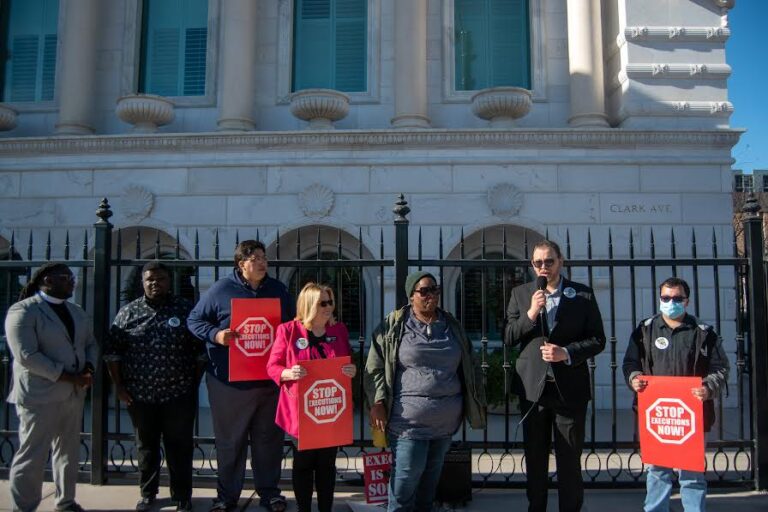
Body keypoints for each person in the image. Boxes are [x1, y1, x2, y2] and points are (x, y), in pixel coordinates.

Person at [365, 270, 486, 512]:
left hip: (444, 424)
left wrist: (474, 398)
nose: (431, 295)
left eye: (435, 289)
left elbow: (470, 363)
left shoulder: (452, 325)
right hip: (408, 423)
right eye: (424, 291)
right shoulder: (394, 326)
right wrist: (378, 401)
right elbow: (374, 367)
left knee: (428, 487)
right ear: (411, 296)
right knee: (404, 486)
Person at [187, 240, 295, 512]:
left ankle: (270, 493)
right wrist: (217, 335)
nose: (262, 262)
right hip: (229, 382)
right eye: (255, 258)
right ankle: (226, 498)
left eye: (264, 258)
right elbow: (194, 320)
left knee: (269, 442)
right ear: (241, 264)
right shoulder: (221, 290)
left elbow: (293, 325)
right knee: (230, 443)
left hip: (269, 382)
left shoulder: (278, 290)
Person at [504, 240, 605, 512]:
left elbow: (598, 339)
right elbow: (509, 337)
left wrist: (567, 352)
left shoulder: (581, 295)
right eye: (538, 263)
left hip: (569, 390)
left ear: (561, 261)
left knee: (569, 460)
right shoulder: (521, 293)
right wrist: (531, 313)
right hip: (533, 392)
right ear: (531, 266)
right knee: (535, 459)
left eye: (549, 261)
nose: (544, 267)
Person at [105, 261, 205, 512]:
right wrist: (119, 386)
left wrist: (192, 383)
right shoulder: (128, 312)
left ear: (169, 281)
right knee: (146, 447)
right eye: (149, 279)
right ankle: (148, 493)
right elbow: (112, 353)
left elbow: (200, 353)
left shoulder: (185, 310)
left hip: (178, 393)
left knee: (179, 447)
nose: (154, 283)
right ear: (142, 282)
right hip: (140, 395)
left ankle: (182, 496)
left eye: (160, 279)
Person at [623, 277, 729, 512]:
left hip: (692, 416)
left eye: (677, 298)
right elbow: (630, 362)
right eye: (666, 298)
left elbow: (720, 368)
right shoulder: (645, 330)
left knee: (691, 473)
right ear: (660, 299)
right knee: (657, 471)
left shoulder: (704, 333)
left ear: (687, 301)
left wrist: (708, 387)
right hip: (657, 416)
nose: (671, 302)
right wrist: (635, 379)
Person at [5, 263, 99, 512]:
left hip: (73, 394)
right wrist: (68, 376)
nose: (72, 282)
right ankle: (23, 507)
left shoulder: (76, 311)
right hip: (39, 395)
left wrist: (88, 368)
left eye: (72, 277)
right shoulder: (24, 311)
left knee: (68, 451)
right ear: (47, 279)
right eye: (66, 277)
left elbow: (90, 343)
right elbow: (27, 355)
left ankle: (65, 501)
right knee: (33, 454)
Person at [266, 282, 357, 512]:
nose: (328, 308)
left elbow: (347, 363)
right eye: (322, 303)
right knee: (304, 464)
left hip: (330, 409)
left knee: (327, 465)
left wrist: (351, 370)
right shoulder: (288, 330)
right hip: (301, 411)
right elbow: (272, 366)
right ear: (308, 305)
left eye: (330, 302)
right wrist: (288, 372)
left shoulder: (339, 330)